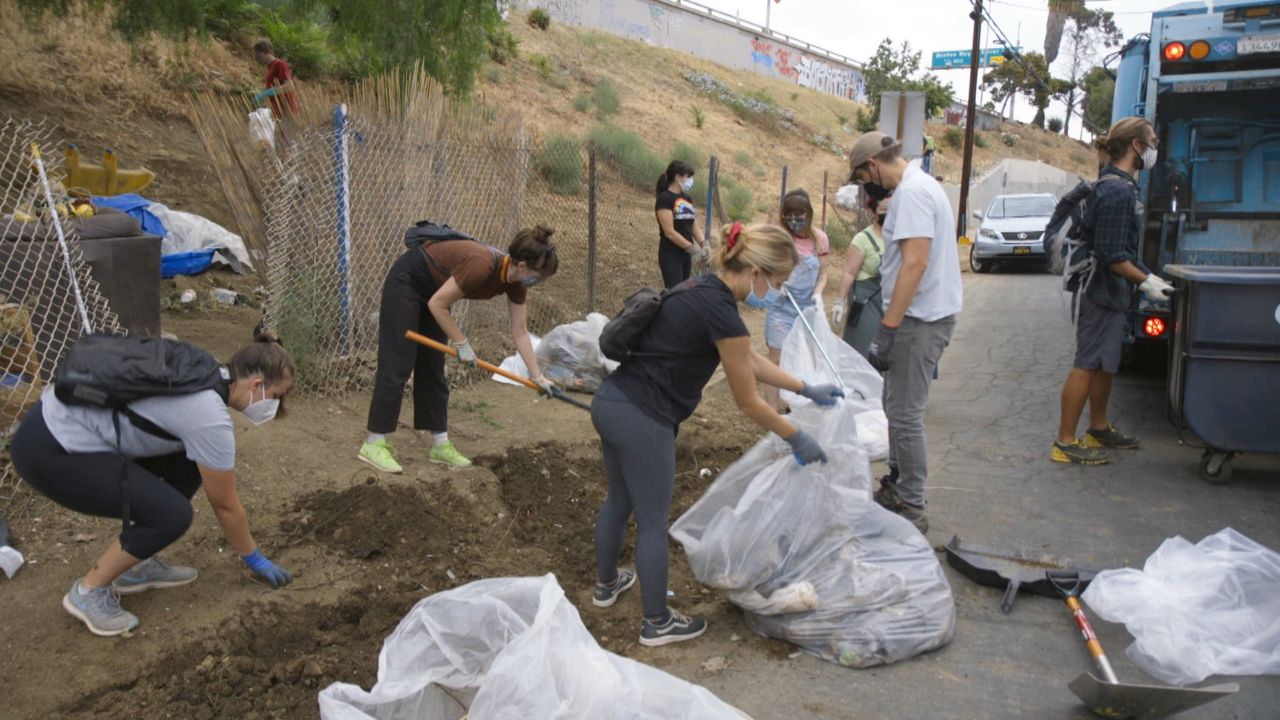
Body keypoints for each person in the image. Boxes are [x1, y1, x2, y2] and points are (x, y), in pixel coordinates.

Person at [591, 222, 843, 647]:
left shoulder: (702, 287)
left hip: (612, 402)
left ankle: (606, 584)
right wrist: (794, 435)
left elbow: (748, 359)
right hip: (644, 419)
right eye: (777, 283)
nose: (776, 292)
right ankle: (656, 622)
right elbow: (749, 401)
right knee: (652, 520)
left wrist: (804, 388)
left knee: (620, 500)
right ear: (756, 272)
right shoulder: (722, 312)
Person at [10, 334, 296, 637]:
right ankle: (88, 591)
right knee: (172, 515)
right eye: (276, 396)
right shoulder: (210, 418)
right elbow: (226, 505)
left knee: (192, 462)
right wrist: (254, 558)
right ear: (256, 385)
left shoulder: (206, 370)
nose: (275, 406)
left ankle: (137, 564)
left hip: (53, 426)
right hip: (52, 450)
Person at [359, 224, 559, 473]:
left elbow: (519, 331)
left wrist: (537, 376)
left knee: (433, 366)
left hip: (435, 293)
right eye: (539, 276)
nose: (538, 282)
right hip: (408, 283)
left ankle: (440, 445)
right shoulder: (481, 265)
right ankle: (373, 443)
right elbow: (438, 305)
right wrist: (462, 344)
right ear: (522, 266)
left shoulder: (516, 283)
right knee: (398, 363)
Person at [846, 131, 963, 533]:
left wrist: (888, 328)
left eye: (863, 177)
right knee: (894, 406)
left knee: (906, 414)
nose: (866, 185)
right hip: (919, 315)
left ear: (872, 165)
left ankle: (911, 504)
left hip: (919, 319)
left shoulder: (912, 193)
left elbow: (914, 264)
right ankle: (897, 484)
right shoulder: (918, 187)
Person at [1052, 117, 1173, 465]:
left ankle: (1099, 427)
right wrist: (1145, 281)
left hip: (1111, 291)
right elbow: (1111, 255)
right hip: (1100, 292)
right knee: (1087, 363)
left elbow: (1123, 250)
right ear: (1136, 145)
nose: (1155, 149)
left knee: (1106, 363)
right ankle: (1064, 442)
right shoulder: (1117, 191)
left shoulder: (1119, 186)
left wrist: (1148, 275)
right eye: (1152, 141)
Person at [763, 189, 829, 412]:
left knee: (803, 359)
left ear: (808, 213)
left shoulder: (820, 239)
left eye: (799, 214)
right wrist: (776, 285)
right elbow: (764, 269)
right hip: (781, 308)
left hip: (807, 309)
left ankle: (798, 408)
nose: (794, 220)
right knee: (776, 362)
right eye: (788, 215)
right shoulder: (780, 238)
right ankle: (772, 415)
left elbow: (823, 273)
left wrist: (818, 293)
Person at [832, 194, 890, 356]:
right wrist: (839, 302)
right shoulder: (863, 239)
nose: (889, 213)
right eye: (884, 209)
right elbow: (849, 272)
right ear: (873, 212)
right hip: (867, 304)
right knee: (863, 351)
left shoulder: (899, 238)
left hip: (891, 303)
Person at [654, 160, 709, 288]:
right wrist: (691, 247)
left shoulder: (687, 198)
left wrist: (703, 243)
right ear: (678, 177)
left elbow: (693, 224)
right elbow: (669, 232)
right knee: (674, 292)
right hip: (671, 254)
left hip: (686, 255)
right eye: (688, 176)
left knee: (684, 291)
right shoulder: (664, 199)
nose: (691, 180)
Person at [252, 40, 299, 144]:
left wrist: (268, 92)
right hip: (278, 112)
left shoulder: (279, 64)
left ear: (264, 52)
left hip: (286, 110)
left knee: (288, 143)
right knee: (280, 143)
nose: (255, 57)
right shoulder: (270, 67)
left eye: (257, 54)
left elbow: (289, 86)